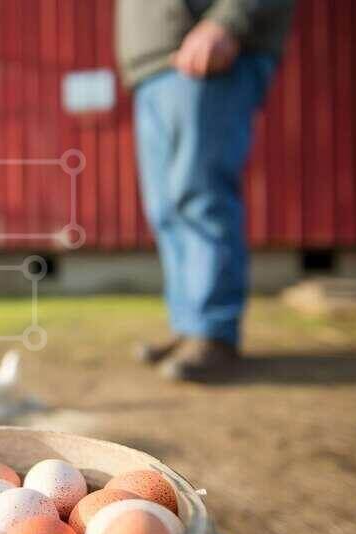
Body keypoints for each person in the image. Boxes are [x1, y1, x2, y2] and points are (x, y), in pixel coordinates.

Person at [115, 0, 295, 381]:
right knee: (166, 207)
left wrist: (227, 21)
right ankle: (190, 326)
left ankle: (214, 332)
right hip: (152, 63)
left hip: (203, 49)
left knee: (199, 196)